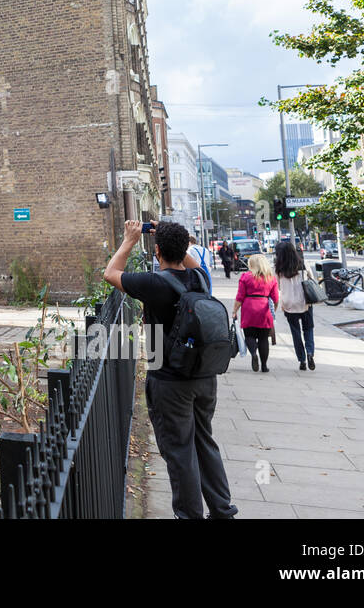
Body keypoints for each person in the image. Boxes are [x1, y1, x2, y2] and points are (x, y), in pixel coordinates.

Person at [104, 220, 237, 519]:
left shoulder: (154, 283)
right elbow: (186, 260)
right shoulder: (199, 278)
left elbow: (110, 273)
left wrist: (129, 239)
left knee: (179, 452)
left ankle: (189, 516)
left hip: (168, 378)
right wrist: (170, 236)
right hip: (204, 377)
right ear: (184, 248)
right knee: (205, 443)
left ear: (157, 251)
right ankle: (222, 510)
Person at [275, 240, 316, 371]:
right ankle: (310, 352)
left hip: (288, 303)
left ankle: (302, 360)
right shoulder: (302, 264)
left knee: (295, 332)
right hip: (305, 302)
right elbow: (312, 279)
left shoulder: (278, 268)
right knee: (308, 329)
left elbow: (278, 287)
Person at [234, 254, 279, 372]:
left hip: (248, 308)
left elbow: (240, 297)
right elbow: (276, 298)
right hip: (264, 309)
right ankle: (264, 366)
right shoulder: (270, 278)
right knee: (264, 339)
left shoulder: (245, 277)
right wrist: (274, 309)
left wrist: (234, 311)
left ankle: (253, 353)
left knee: (249, 335)